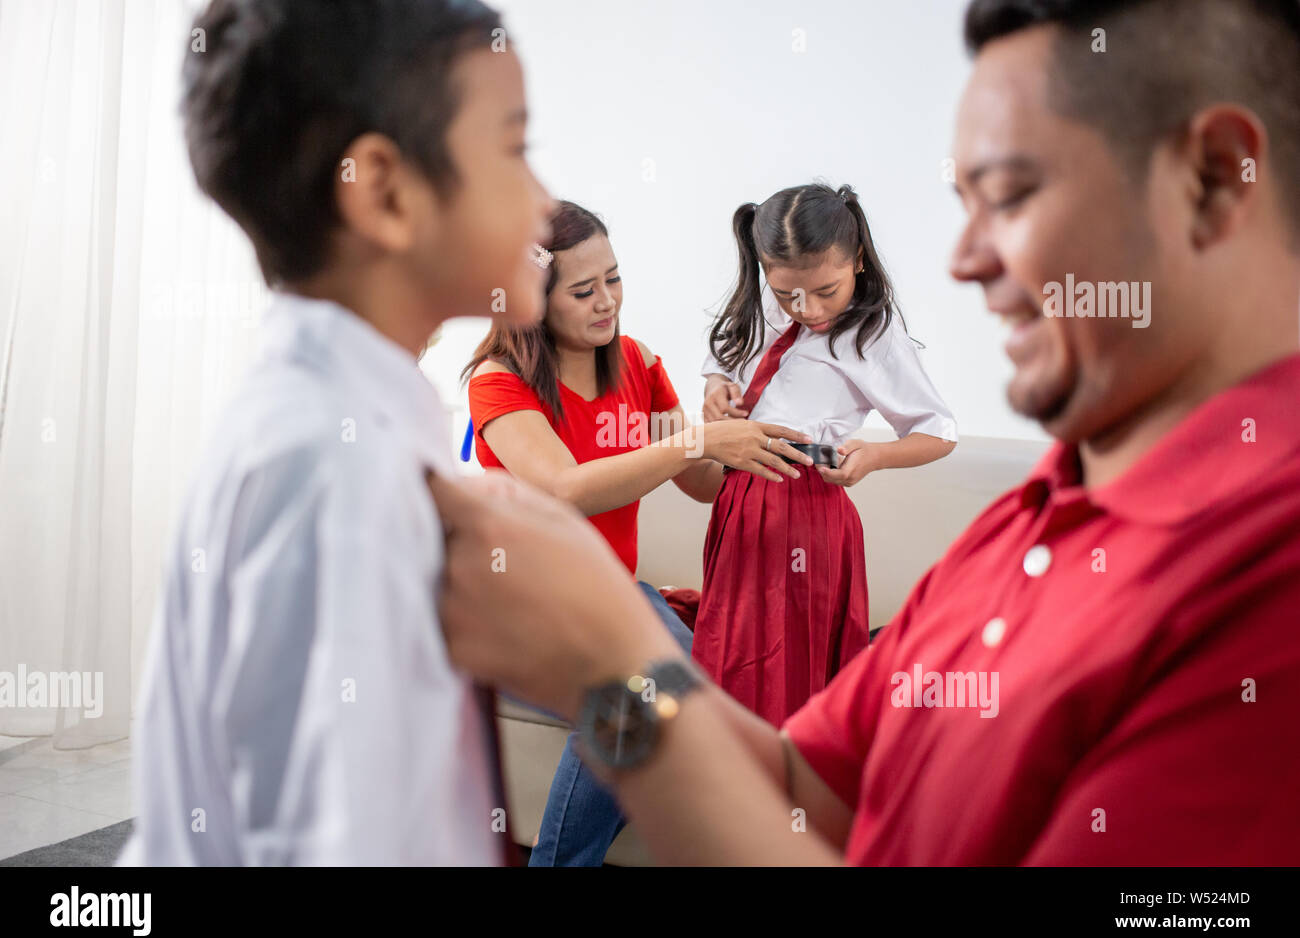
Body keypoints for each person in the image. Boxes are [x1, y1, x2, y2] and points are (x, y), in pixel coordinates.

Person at [428, 0, 1300, 865]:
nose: (963, 259)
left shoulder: (1259, 571)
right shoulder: (1015, 529)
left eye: (1013, 194)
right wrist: (615, 665)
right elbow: (796, 787)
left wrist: (620, 644)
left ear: (1216, 179)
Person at [120, 0, 552, 865]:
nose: (543, 202)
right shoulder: (335, 467)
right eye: (514, 149)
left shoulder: (358, 424)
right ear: (384, 191)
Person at [464, 200, 812, 865]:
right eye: (583, 289)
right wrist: (696, 441)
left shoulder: (637, 363)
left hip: (609, 594)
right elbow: (566, 489)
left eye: (614, 279)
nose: (607, 301)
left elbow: (703, 481)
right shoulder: (498, 383)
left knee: (699, 680)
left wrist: (734, 426)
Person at [694, 183, 957, 725]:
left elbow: (939, 430)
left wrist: (877, 456)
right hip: (739, 502)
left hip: (804, 510)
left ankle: (796, 795)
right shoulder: (765, 303)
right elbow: (723, 361)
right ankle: (733, 791)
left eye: (825, 291)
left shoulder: (872, 334)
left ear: (857, 260)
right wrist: (715, 391)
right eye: (788, 292)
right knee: (732, 653)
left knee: (795, 667)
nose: (805, 308)